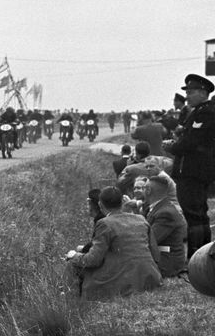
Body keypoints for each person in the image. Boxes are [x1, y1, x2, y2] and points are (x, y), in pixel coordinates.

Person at [67, 186, 162, 301]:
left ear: (100, 205)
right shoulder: (141, 219)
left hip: (124, 283)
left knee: (72, 264)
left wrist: (74, 255)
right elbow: (155, 255)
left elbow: (92, 260)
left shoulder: (105, 223)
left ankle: (75, 304)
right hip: (150, 279)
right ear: (122, 202)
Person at [164, 73, 215, 258]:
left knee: (194, 215)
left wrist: (172, 147)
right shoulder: (199, 111)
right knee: (198, 214)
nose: (187, 96)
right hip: (194, 171)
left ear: (203, 92)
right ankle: (204, 255)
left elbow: (190, 143)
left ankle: (195, 257)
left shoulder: (205, 112)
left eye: (191, 92)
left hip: (193, 171)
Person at [142, 175, 187, 278]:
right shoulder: (158, 208)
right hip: (160, 256)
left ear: (148, 190)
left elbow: (149, 239)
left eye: (144, 188)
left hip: (166, 262)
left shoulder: (166, 213)